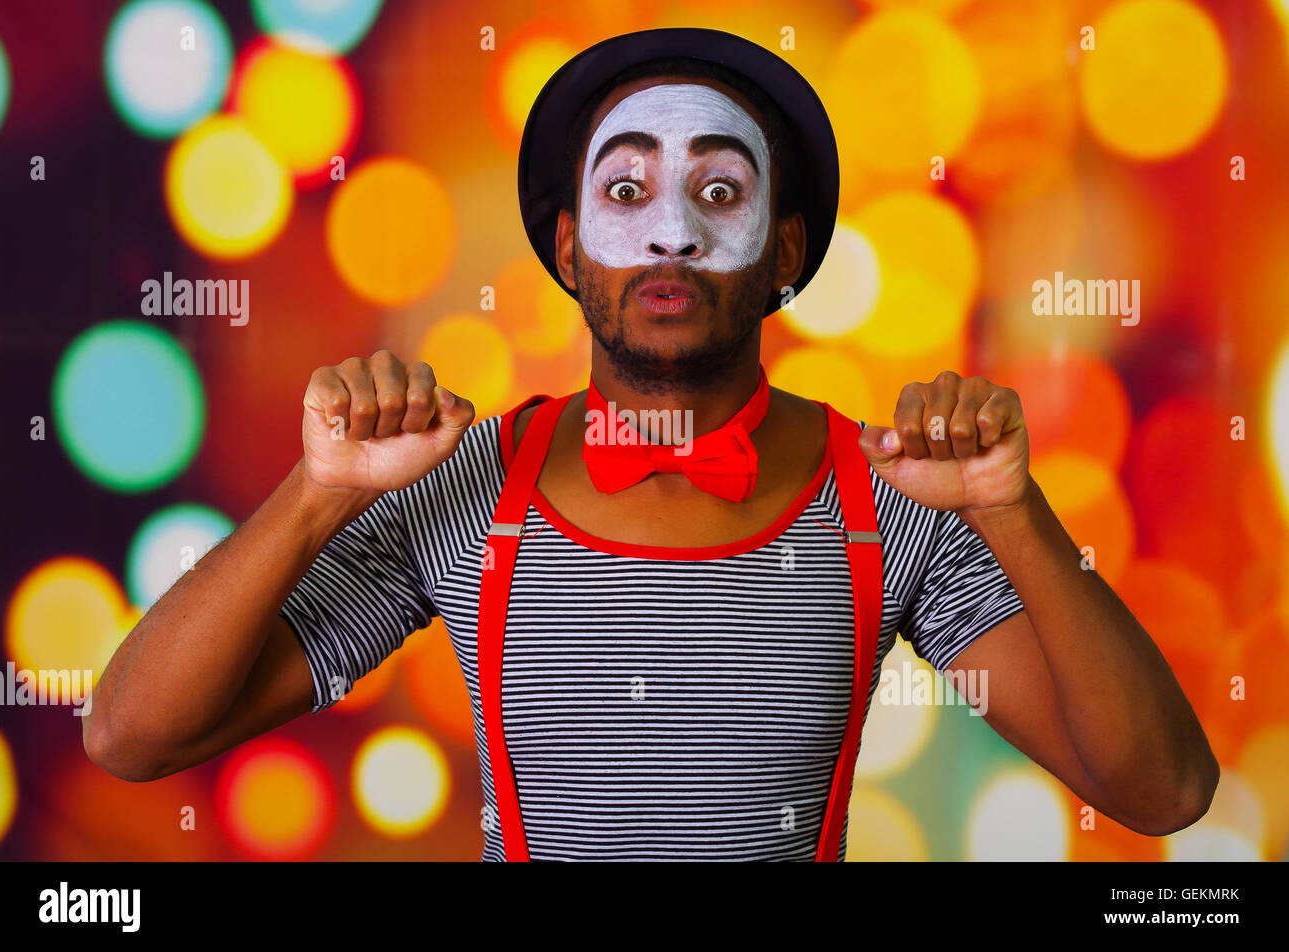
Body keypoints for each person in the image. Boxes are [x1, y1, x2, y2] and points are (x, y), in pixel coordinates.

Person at [84, 28, 1218, 861]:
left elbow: (1162, 790)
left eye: (717, 189)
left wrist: (1014, 511)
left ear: (784, 254)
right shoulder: (464, 489)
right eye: (627, 187)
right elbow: (131, 738)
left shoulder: (895, 497)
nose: (671, 230)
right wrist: (316, 496)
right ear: (570, 250)